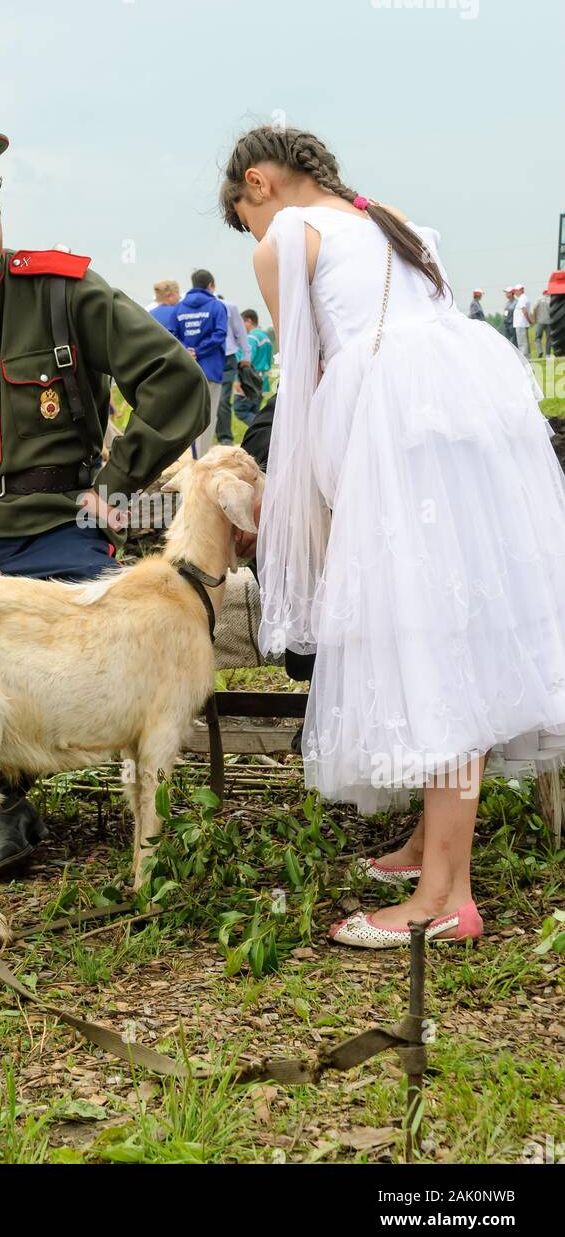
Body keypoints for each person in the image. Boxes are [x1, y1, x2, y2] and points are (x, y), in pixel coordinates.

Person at [220, 125, 565, 949]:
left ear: (258, 182)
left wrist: (298, 501)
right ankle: (426, 847)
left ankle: (447, 895)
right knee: (455, 625)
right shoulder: (390, 219)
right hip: (464, 423)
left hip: (389, 435)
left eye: (242, 217)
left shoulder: (287, 240)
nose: (250, 237)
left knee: (430, 637)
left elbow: (301, 381)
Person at [0, 133, 208, 880]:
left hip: (61, 528)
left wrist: (115, 489)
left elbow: (178, 383)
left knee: (93, 628)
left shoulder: (63, 295)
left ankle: (110, 786)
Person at [172, 269, 228, 456]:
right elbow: (220, 334)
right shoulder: (217, 306)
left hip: (187, 369)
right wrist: (200, 350)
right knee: (209, 414)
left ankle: (192, 456)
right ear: (211, 285)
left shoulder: (179, 308)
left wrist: (187, 351)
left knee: (192, 415)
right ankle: (201, 458)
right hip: (211, 368)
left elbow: (171, 335)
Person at [215, 297, 251, 443]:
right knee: (216, 401)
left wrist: (246, 354)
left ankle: (225, 438)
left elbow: (240, 332)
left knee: (222, 399)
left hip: (227, 356)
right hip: (207, 357)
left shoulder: (228, 306)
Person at [235, 309, 274, 424]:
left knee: (240, 410)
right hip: (262, 381)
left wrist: (238, 380)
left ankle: (263, 429)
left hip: (249, 381)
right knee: (254, 410)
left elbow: (246, 360)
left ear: (248, 321)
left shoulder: (251, 338)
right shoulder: (266, 337)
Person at [513, 283, 533, 357]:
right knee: (523, 342)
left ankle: (525, 356)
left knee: (522, 342)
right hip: (521, 323)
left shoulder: (522, 298)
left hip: (521, 323)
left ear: (521, 290)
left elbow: (524, 311)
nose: (515, 293)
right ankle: (526, 355)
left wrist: (529, 320)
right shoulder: (522, 298)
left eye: (516, 291)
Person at [533, 289, 552, 356]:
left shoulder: (539, 299)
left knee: (537, 337)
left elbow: (534, 308)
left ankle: (540, 351)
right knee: (549, 338)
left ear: (543, 293)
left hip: (540, 321)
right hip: (549, 321)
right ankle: (547, 354)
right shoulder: (551, 300)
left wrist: (534, 319)